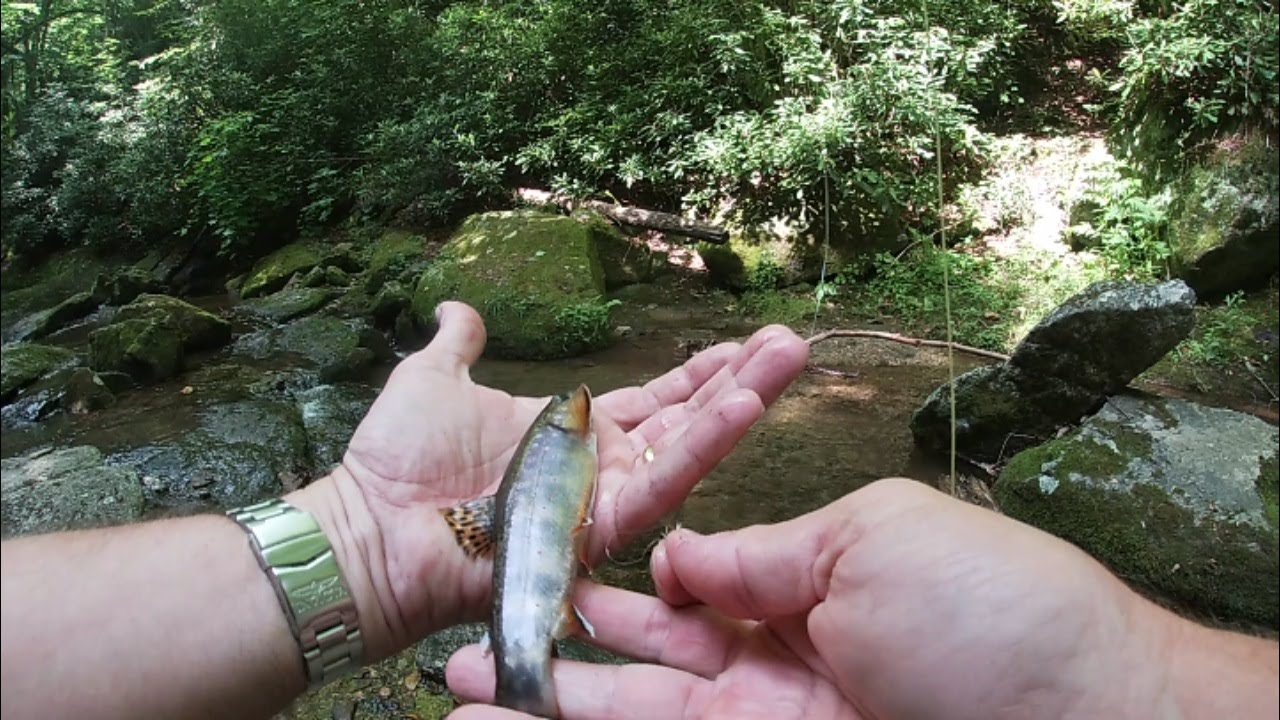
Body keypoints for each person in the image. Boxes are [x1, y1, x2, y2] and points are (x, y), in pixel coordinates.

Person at [2, 302, 1276, 719]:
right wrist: (359, 537)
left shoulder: (548, 456)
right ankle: (525, 659)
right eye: (571, 418)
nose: (574, 415)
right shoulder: (553, 450)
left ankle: (520, 664)